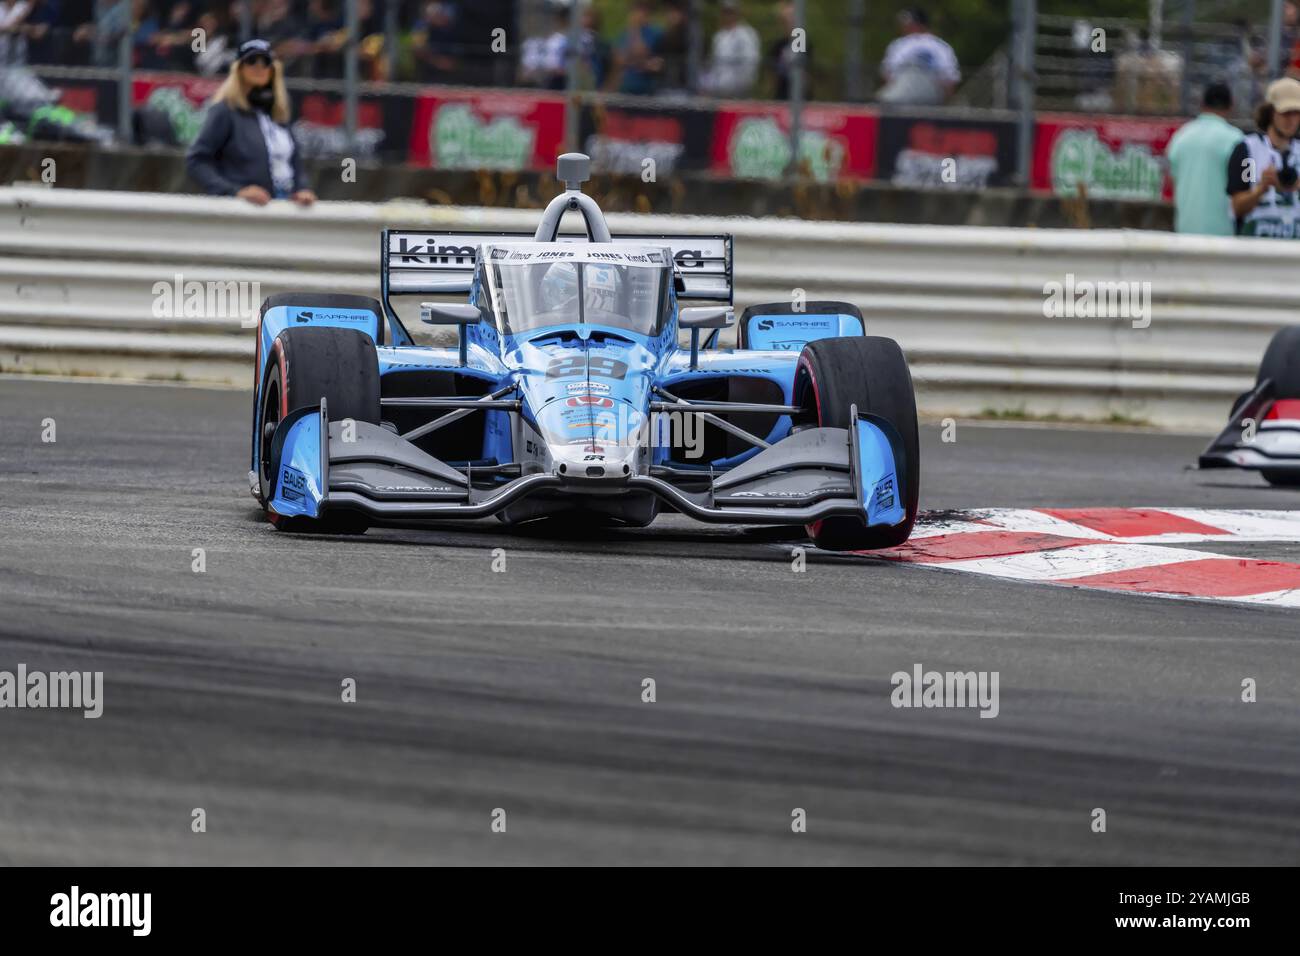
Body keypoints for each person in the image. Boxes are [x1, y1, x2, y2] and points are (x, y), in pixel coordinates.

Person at [185, 38, 316, 207]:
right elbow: (197, 161)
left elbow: (294, 163)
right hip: (245, 212)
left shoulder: (278, 114)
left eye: (266, 62)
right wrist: (235, 191)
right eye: (251, 61)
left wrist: (302, 189)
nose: (259, 67)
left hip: (284, 209)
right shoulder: (225, 111)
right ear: (239, 69)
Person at [1227, 77, 1300, 237]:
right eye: (1285, 112)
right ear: (1271, 112)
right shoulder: (1248, 150)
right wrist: (1261, 189)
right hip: (1256, 249)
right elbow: (1237, 208)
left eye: (1296, 113)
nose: (1292, 120)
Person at [1167, 82, 1243, 236]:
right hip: (1224, 236)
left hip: (1184, 232)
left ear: (1201, 104)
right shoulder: (1237, 139)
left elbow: (1171, 180)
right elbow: (1248, 186)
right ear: (1231, 106)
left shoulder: (1180, 136)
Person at [878, 8, 960, 106]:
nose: (905, 27)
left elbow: (949, 80)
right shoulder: (900, 44)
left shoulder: (940, 46)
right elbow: (888, 75)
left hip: (929, 95)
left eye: (909, 23)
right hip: (903, 96)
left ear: (920, 24)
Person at [700, 0, 760, 97]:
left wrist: (743, 87)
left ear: (737, 13)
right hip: (718, 92)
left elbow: (750, 63)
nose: (727, 15)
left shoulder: (746, 34)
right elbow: (713, 64)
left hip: (739, 94)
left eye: (730, 12)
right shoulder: (719, 36)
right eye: (725, 12)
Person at [607, 0, 662, 96]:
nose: (637, 15)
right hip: (625, 87)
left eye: (640, 11)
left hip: (645, 88)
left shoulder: (655, 32)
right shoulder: (624, 34)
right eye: (634, 11)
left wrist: (635, 29)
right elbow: (620, 60)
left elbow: (641, 52)